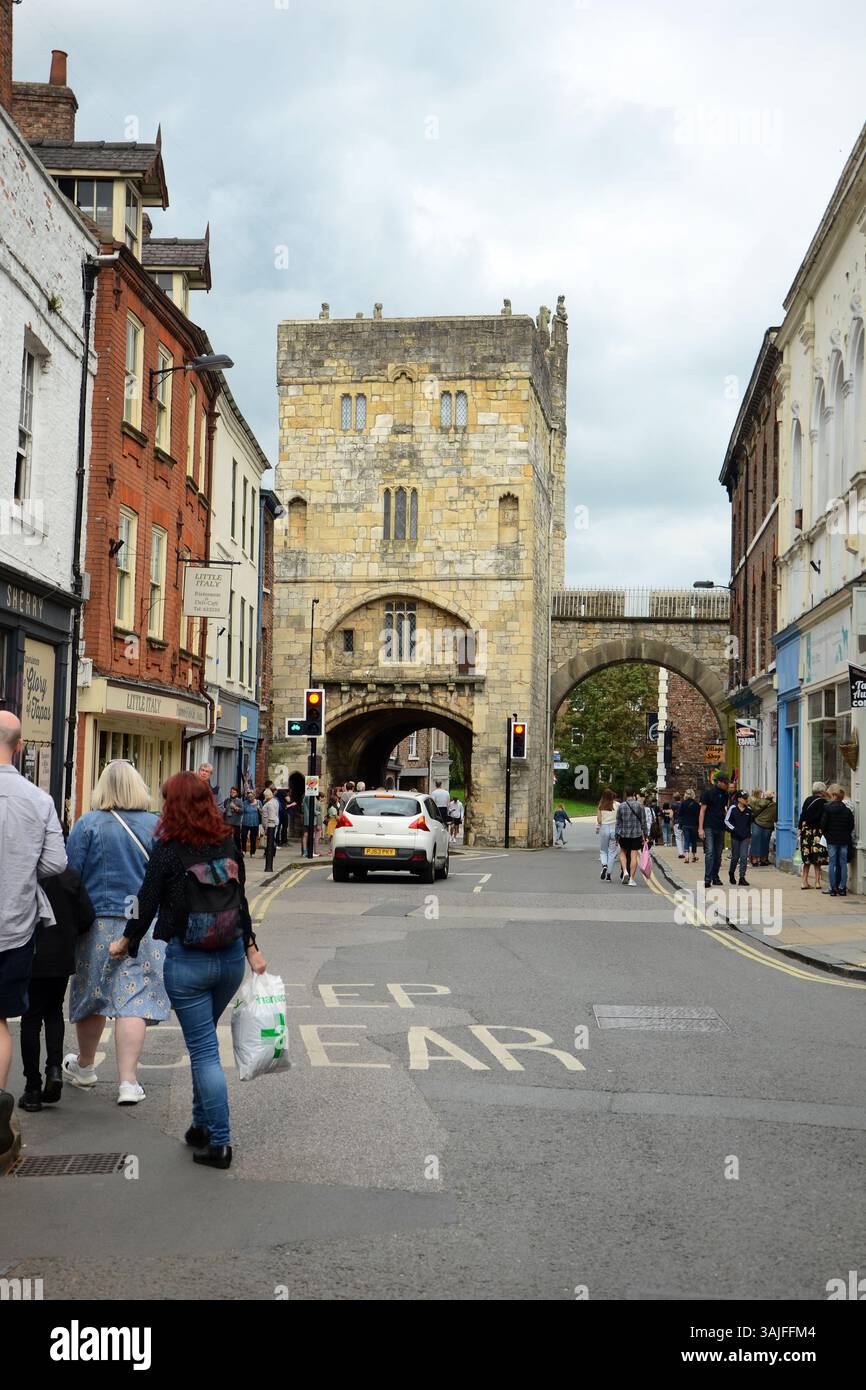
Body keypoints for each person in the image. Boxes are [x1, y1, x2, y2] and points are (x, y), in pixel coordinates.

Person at [109, 771, 267, 1169]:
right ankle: (199, 1125)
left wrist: (125, 942)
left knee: (204, 1051)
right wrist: (252, 950)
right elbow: (241, 900)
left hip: (188, 963)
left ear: (172, 806)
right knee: (205, 1045)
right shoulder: (228, 841)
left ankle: (220, 1143)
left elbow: (145, 903)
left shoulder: (167, 849)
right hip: (230, 961)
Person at [64, 760, 170, 1105]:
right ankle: (128, 1082)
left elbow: (72, 875)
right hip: (142, 923)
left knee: (92, 994)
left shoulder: (87, 824)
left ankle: (84, 1067)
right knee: (134, 1000)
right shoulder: (155, 825)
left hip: (96, 921)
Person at [0, 712, 68, 1171]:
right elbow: (57, 864)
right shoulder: (39, 799)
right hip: (14, 925)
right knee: (1, 1019)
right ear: (20, 746)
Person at [19, 864, 95, 1112]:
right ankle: (54, 1069)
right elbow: (87, 916)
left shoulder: (22, 872)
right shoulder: (69, 874)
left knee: (30, 1019)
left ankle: (32, 1088)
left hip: (30, 952)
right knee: (54, 1012)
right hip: (61, 955)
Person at [819, 784, 854, 896]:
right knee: (843, 864)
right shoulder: (847, 811)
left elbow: (823, 826)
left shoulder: (827, 809)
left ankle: (833, 888)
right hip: (843, 840)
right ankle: (842, 887)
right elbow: (851, 826)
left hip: (832, 840)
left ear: (834, 796)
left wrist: (828, 836)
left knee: (832, 864)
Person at [698, 773, 730, 888]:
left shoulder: (725, 794)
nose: (727, 785)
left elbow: (724, 809)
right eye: (725, 783)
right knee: (710, 852)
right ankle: (707, 878)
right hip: (709, 826)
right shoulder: (708, 793)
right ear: (719, 782)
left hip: (720, 826)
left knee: (718, 854)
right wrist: (700, 828)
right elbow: (702, 811)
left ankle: (715, 876)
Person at [798, 781, 829, 890]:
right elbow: (822, 818)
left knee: (806, 858)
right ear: (822, 791)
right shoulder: (824, 803)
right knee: (817, 858)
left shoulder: (807, 800)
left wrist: (799, 827)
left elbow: (802, 815)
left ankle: (804, 882)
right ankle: (817, 882)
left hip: (806, 832)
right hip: (817, 833)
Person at [615, 786, 646, 886]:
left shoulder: (621, 806)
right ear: (634, 794)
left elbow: (618, 822)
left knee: (623, 852)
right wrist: (645, 834)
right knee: (634, 855)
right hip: (636, 834)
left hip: (624, 834)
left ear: (626, 794)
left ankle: (625, 872)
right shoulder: (640, 806)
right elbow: (644, 822)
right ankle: (631, 879)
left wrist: (617, 835)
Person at [724, 790, 753, 886]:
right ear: (739, 799)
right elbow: (727, 821)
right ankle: (731, 873)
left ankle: (742, 877)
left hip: (745, 837)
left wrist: (750, 835)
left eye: (747, 798)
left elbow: (750, 824)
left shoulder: (749, 810)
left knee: (744, 857)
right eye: (745, 798)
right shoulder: (733, 808)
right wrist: (734, 829)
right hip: (735, 836)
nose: (746, 800)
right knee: (735, 857)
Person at [596, 788, 619, 880]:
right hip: (614, 828)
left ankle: (604, 865)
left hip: (605, 827)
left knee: (603, 850)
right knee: (612, 852)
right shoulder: (617, 805)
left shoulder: (601, 805)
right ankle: (609, 874)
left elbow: (599, 820)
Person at [749, 789, 777, 866]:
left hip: (757, 823)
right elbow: (775, 817)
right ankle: (763, 860)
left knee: (755, 842)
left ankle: (754, 861)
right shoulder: (775, 805)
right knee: (765, 843)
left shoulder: (759, 801)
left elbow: (754, 810)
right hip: (768, 826)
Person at [678, 789, 700, 862]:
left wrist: (680, 824)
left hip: (685, 824)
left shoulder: (683, 803)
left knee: (686, 840)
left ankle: (686, 856)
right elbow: (699, 815)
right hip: (694, 825)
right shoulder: (697, 804)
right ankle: (694, 856)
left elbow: (680, 815)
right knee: (694, 840)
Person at [260, 787, 279, 872]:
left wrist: (267, 828)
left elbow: (271, 816)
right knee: (271, 841)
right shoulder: (274, 801)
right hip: (272, 824)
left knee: (270, 841)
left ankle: (268, 867)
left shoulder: (270, 803)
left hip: (270, 825)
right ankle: (270, 854)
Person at [222, 786, 244, 852]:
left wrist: (235, 807)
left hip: (235, 822)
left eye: (234, 792)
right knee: (226, 837)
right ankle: (227, 851)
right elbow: (223, 809)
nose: (232, 793)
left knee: (236, 838)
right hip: (227, 821)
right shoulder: (227, 800)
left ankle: (239, 851)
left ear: (237, 793)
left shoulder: (239, 801)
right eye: (231, 792)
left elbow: (242, 811)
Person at [241, 789, 262, 857]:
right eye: (248, 797)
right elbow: (242, 812)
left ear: (254, 796)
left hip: (255, 823)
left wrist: (259, 809)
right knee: (243, 836)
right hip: (245, 822)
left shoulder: (259, 802)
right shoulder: (244, 803)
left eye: (251, 796)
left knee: (253, 838)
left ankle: (252, 852)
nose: (250, 798)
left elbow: (262, 812)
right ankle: (244, 850)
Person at [671, 793, 685, 858]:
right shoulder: (683, 804)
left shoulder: (673, 805)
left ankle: (680, 853)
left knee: (678, 838)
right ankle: (685, 850)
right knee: (683, 837)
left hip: (676, 822)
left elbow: (671, 815)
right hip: (684, 822)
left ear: (674, 798)